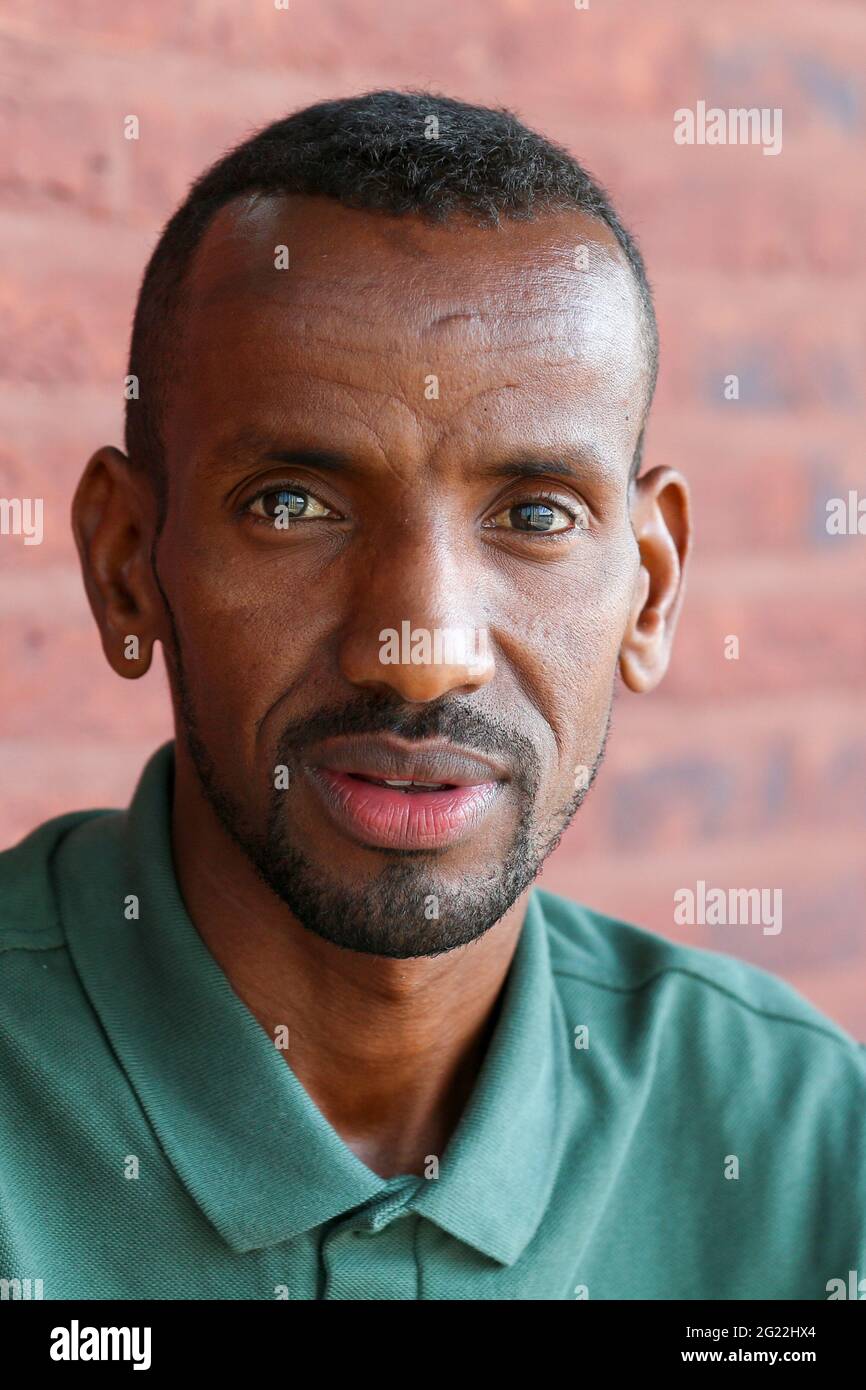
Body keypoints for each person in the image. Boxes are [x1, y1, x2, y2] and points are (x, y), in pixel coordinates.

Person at [1, 91, 863, 1302]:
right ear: (124, 566)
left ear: (650, 592)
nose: (420, 650)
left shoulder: (803, 1144)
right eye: (292, 504)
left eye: (533, 516)